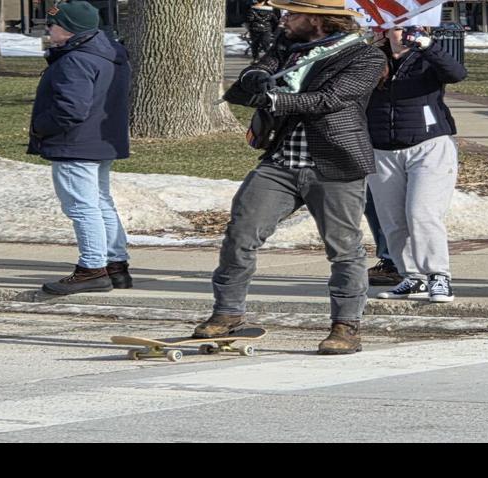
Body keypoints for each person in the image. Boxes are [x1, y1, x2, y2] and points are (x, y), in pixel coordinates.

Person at [199, 0, 385, 355]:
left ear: (318, 20)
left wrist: (273, 101)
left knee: (343, 248)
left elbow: (329, 99)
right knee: (240, 234)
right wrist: (253, 77)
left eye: (293, 14)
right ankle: (227, 314)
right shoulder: (288, 46)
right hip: (281, 162)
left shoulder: (364, 57)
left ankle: (346, 326)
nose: (285, 20)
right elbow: (259, 71)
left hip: (335, 165)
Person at [27, 1, 134, 296]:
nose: (48, 30)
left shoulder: (76, 59)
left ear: (71, 29)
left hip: (75, 143)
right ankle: (115, 265)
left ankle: (92, 269)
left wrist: (40, 127)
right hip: (100, 141)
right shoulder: (109, 54)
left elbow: (70, 109)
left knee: (81, 207)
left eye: (53, 25)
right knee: (100, 202)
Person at [367, 25, 466, 304]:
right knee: (393, 221)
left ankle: (438, 275)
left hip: (428, 146)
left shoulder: (428, 57)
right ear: (385, 31)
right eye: (397, 29)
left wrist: (427, 46)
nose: (404, 34)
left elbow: (456, 74)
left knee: (421, 213)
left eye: (410, 29)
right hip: (382, 149)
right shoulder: (371, 59)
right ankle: (412, 276)